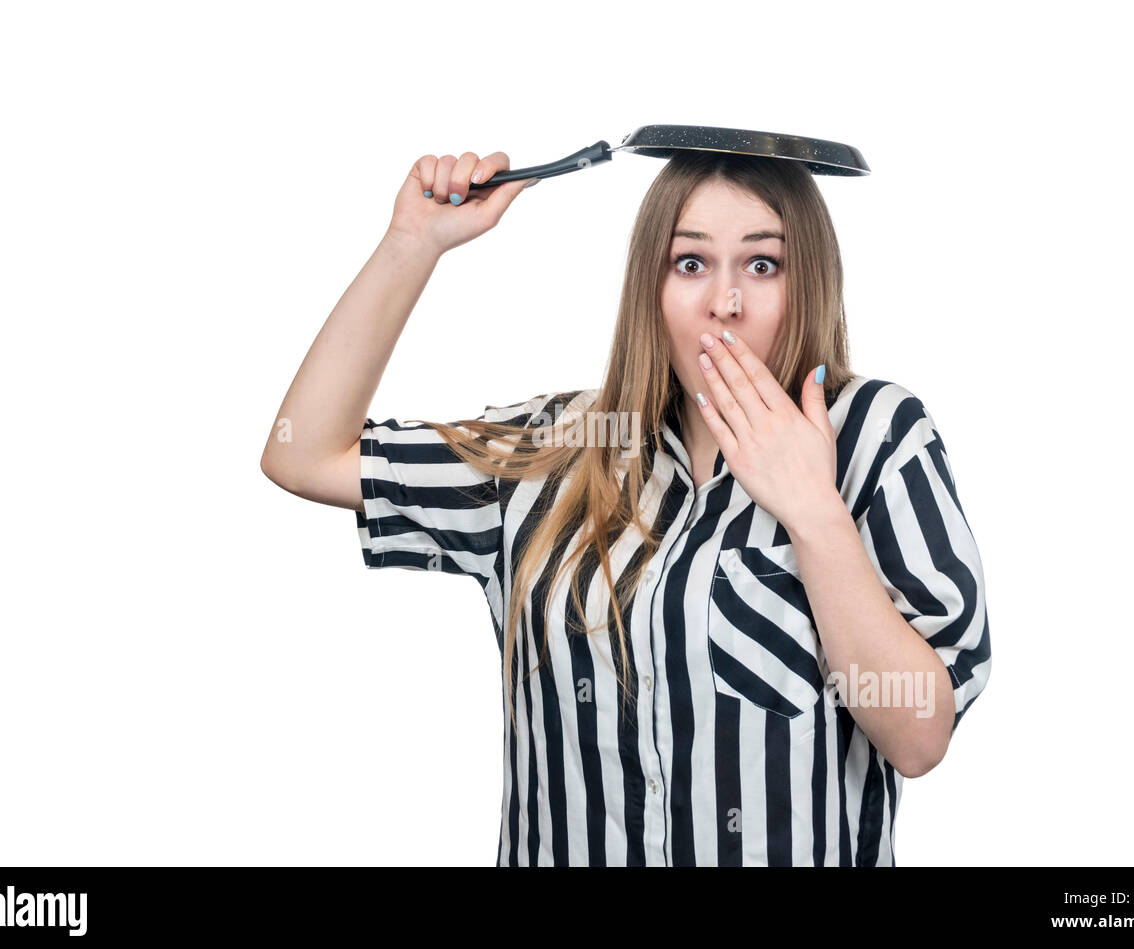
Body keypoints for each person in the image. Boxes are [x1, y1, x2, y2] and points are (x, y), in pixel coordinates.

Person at [260, 146, 992, 866]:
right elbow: (303, 454)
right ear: (651, 283)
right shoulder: (560, 446)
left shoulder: (875, 435)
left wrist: (814, 514)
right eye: (691, 263)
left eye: (762, 264)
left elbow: (918, 738)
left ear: (811, 283)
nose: (724, 302)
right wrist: (411, 244)